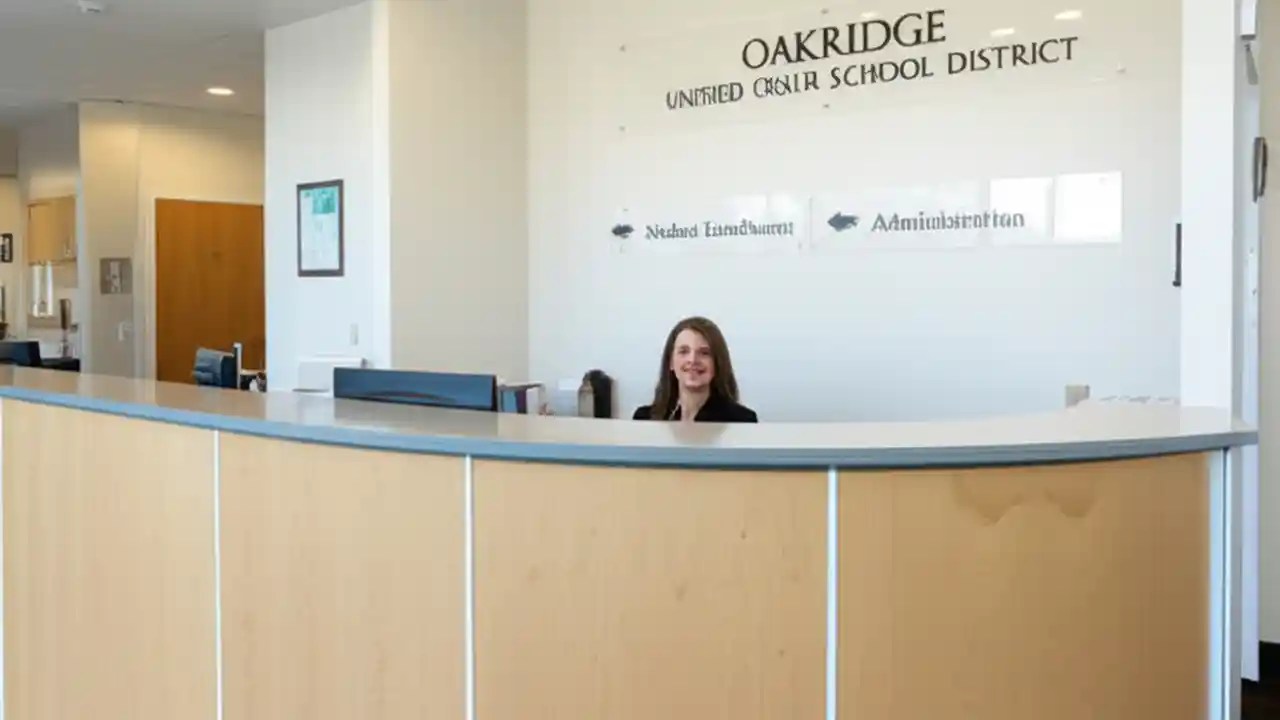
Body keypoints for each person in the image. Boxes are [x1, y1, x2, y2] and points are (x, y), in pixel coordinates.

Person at [633, 316, 758, 423]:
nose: (692, 360)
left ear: (717, 363)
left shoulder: (742, 420)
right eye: (684, 351)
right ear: (670, 362)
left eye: (704, 353)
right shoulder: (644, 419)